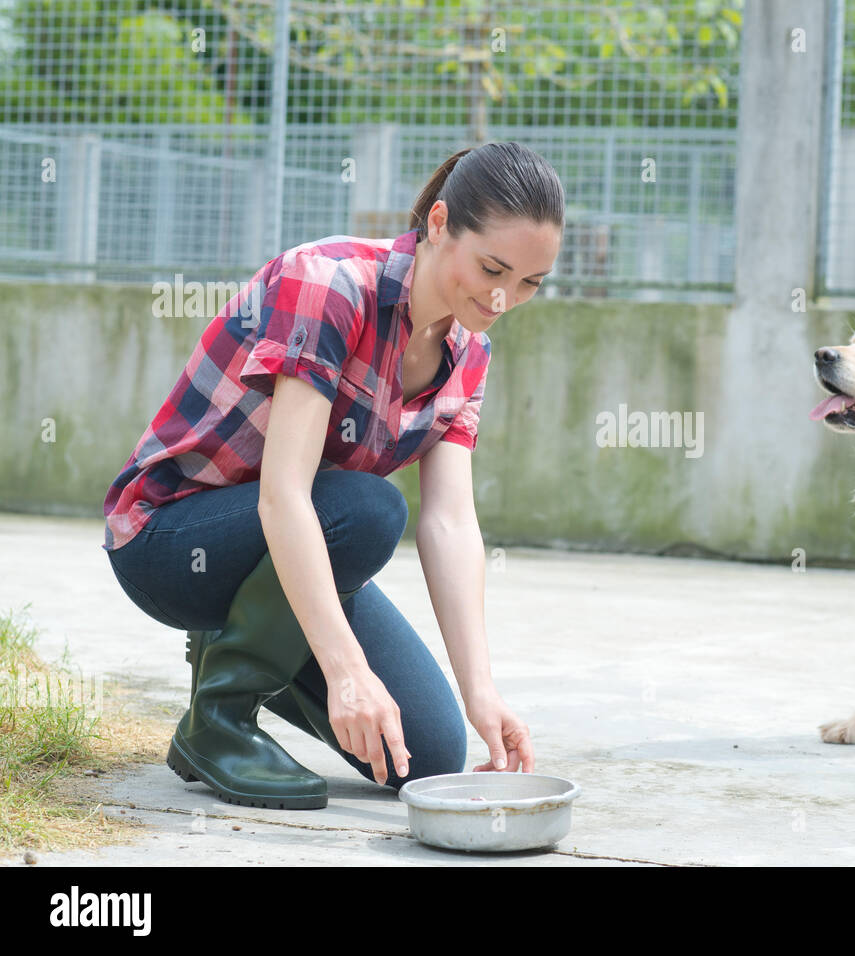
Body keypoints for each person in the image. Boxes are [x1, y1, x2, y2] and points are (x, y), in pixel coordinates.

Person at [101, 142, 565, 809]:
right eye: (493, 268)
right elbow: (285, 491)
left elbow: (451, 521)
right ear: (439, 224)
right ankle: (219, 721)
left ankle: (238, 637)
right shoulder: (330, 282)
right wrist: (346, 670)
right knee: (370, 510)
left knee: (426, 755)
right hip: (169, 541)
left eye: (529, 282)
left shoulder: (468, 354)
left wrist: (481, 692)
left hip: (285, 544)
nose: (503, 297)